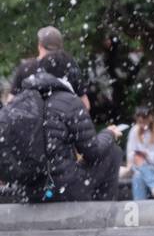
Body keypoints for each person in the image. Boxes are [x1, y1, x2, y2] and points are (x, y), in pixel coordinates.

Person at [7, 51, 122, 202]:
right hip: (63, 189)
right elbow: (93, 152)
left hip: (29, 191)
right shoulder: (69, 101)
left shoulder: (21, 102)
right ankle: (102, 215)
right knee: (113, 152)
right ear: (68, 74)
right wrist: (109, 133)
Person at [10, 26, 90, 111]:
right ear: (60, 45)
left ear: (39, 45)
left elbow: (10, 102)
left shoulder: (26, 67)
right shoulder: (69, 65)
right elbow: (85, 104)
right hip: (66, 119)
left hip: (34, 121)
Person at [126, 105, 154, 200]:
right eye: (139, 122)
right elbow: (130, 153)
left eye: (144, 121)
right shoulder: (134, 131)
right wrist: (138, 157)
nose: (142, 124)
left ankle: (140, 206)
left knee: (139, 173)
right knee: (138, 176)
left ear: (150, 118)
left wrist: (147, 155)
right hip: (140, 165)